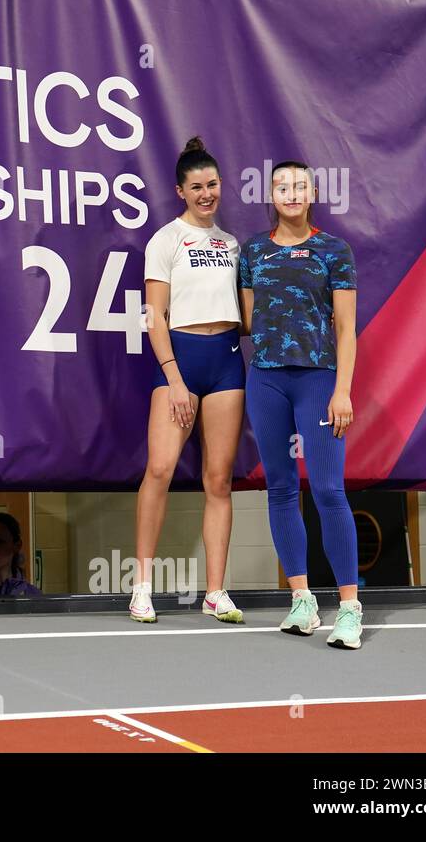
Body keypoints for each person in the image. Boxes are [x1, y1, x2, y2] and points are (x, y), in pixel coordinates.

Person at [239, 161, 363, 649]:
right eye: (281, 186)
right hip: (266, 380)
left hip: (318, 380)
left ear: (312, 193)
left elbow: (346, 328)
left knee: (329, 490)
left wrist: (343, 389)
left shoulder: (335, 251)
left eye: (299, 186)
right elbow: (250, 320)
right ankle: (302, 600)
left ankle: (350, 608)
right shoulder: (252, 251)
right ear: (270, 194)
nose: (290, 192)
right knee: (280, 490)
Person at [131, 136, 245, 624]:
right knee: (159, 469)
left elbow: (246, 313)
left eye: (213, 185)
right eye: (197, 187)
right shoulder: (165, 240)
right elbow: (153, 316)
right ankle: (141, 588)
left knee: (218, 480)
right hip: (180, 359)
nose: (206, 194)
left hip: (227, 361)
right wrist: (175, 379)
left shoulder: (233, 243)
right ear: (180, 190)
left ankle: (216, 592)